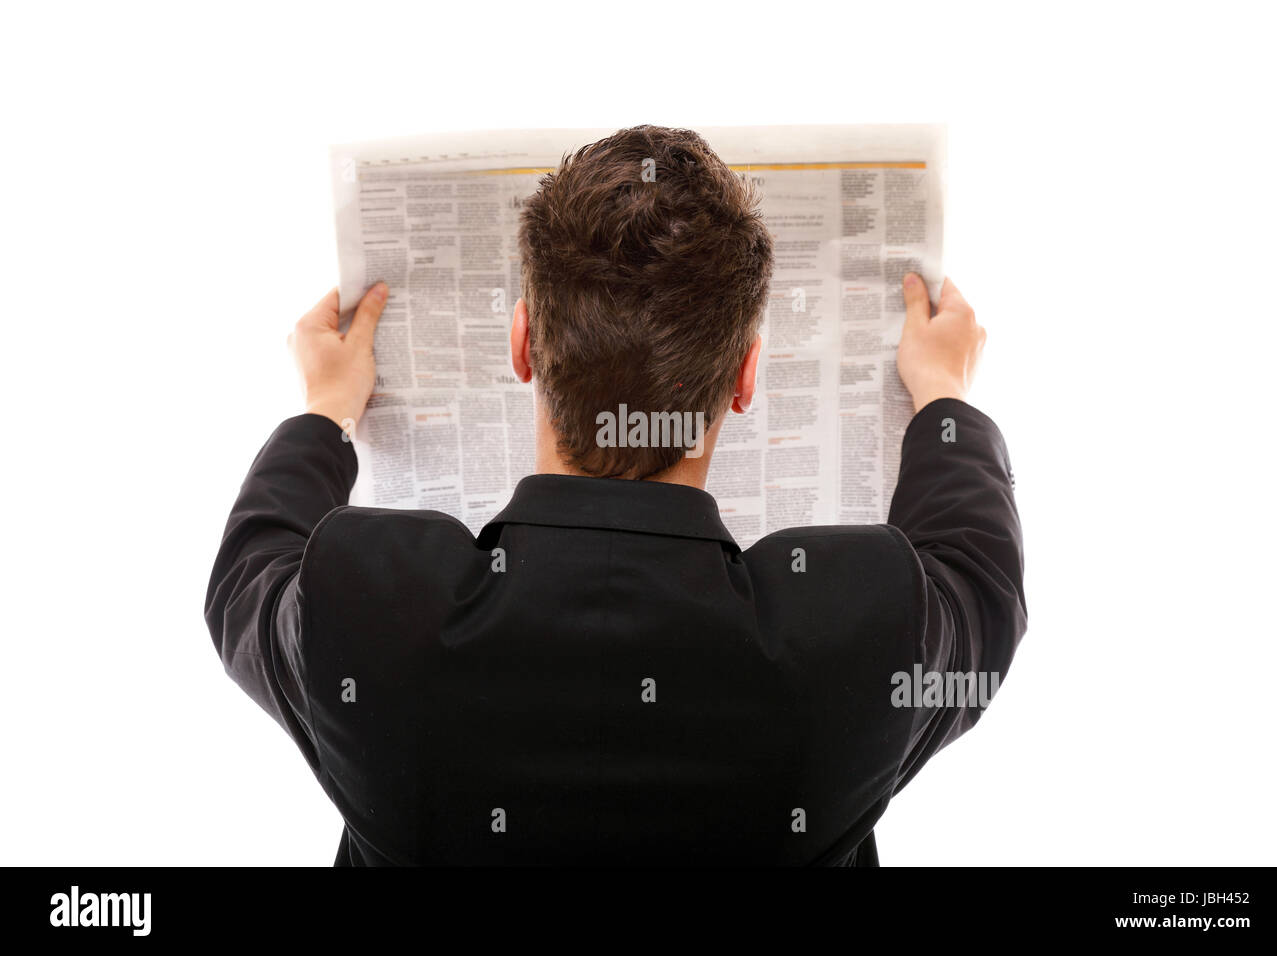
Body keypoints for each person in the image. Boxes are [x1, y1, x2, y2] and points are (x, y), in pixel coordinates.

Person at [204, 125, 1026, 866]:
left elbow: (249, 575)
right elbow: (981, 590)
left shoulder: (366, 606)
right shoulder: (861, 631)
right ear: (746, 377)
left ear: (523, 343)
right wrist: (943, 398)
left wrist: (325, 412)